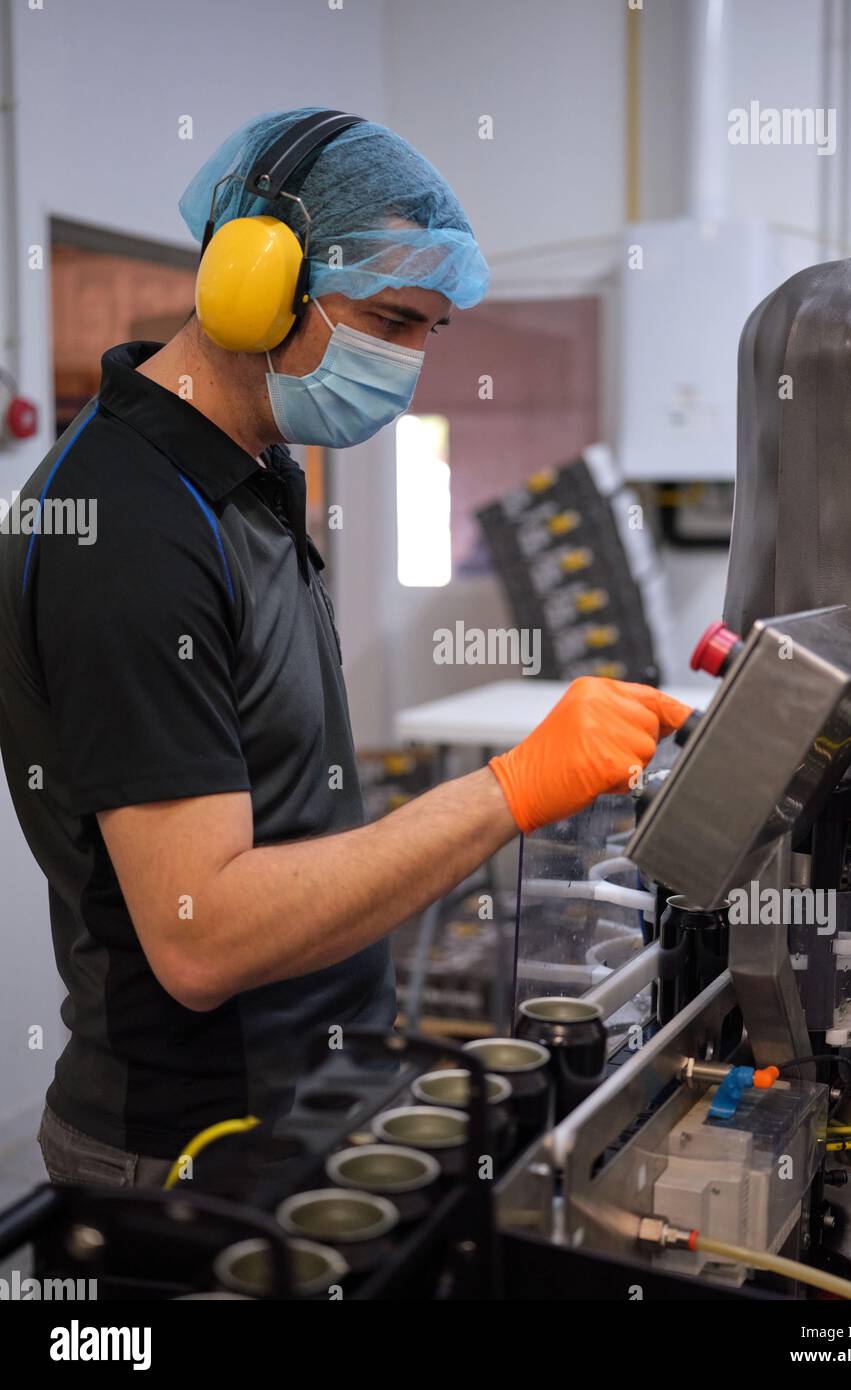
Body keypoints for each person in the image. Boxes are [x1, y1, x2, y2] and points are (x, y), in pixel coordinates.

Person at [0, 108, 689, 1187]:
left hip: (313, 1096)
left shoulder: (252, 476)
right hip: (196, 1149)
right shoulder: (128, 527)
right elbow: (203, 938)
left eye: (430, 331)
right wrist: (510, 789)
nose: (410, 364)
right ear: (251, 285)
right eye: (390, 319)